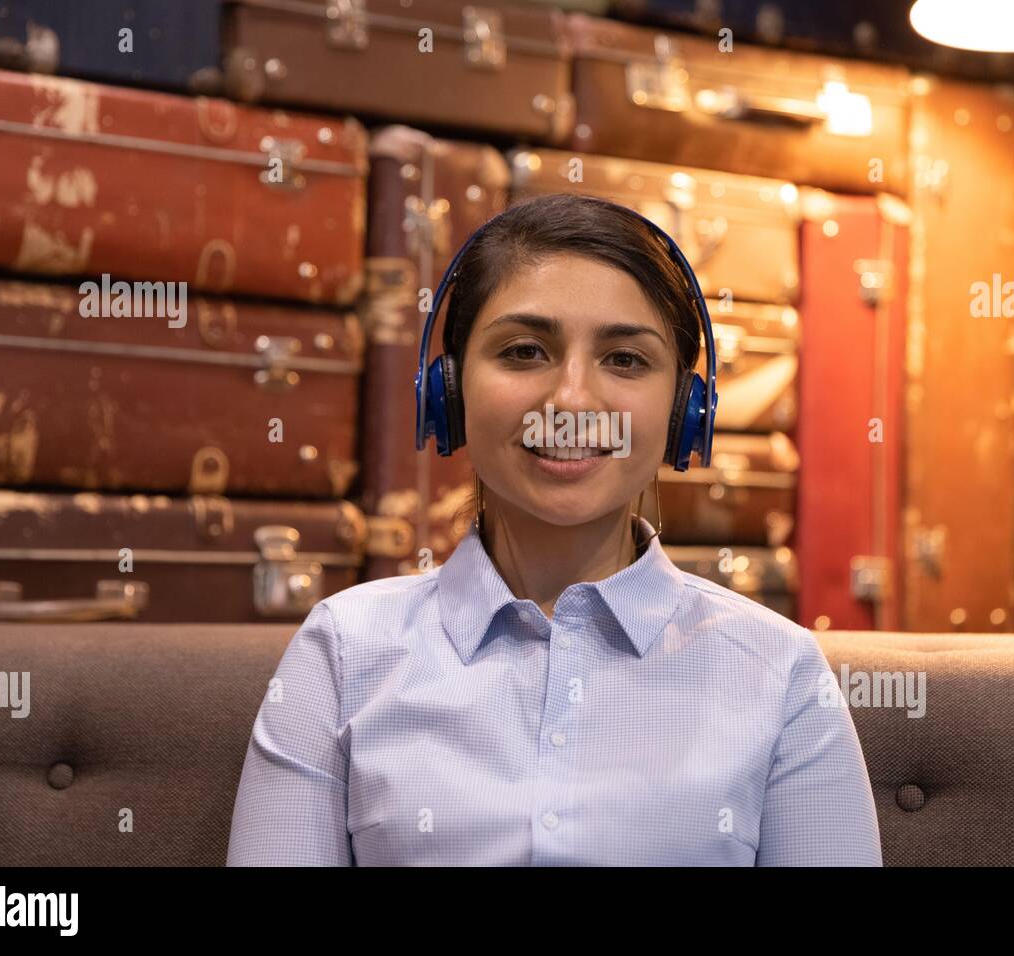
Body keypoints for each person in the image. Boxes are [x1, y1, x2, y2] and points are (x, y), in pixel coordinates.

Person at [227, 193, 882, 866]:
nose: (571, 400)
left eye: (625, 360)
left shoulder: (783, 675)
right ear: (447, 391)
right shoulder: (342, 653)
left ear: (684, 411)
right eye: (523, 352)